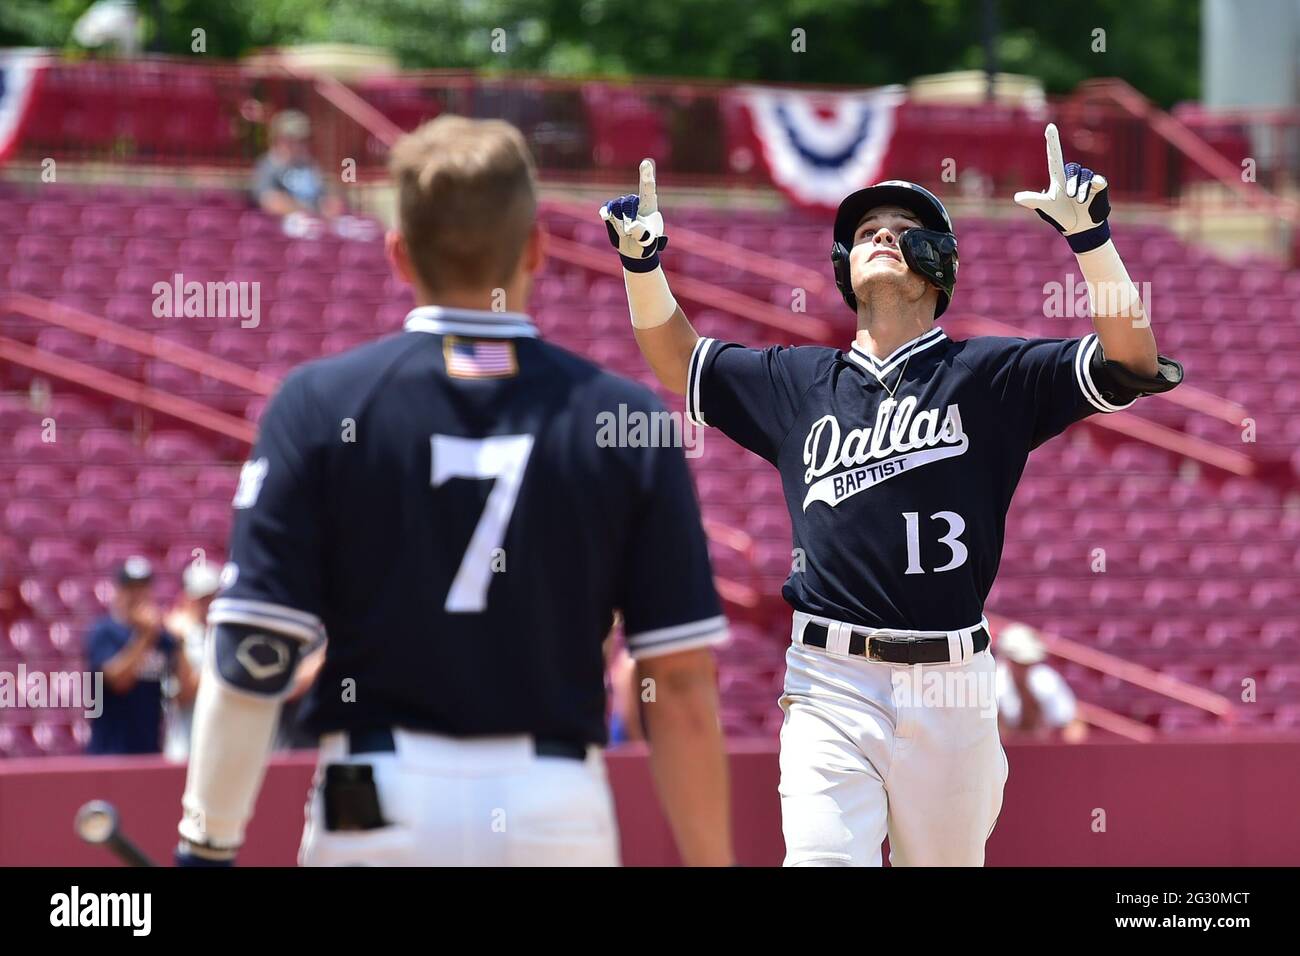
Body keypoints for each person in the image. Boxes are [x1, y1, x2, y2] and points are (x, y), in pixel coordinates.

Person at [601, 124, 1182, 866]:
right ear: (843, 268)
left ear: (939, 264)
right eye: (864, 232)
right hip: (829, 677)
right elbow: (679, 359)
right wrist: (642, 267)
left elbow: (1131, 358)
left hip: (954, 682)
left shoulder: (989, 374)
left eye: (899, 231)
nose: (876, 237)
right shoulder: (797, 383)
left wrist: (1092, 242)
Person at [176, 115, 733, 867]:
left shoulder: (317, 404)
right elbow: (682, 684)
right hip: (554, 809)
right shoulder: (626, 417)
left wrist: (205, 847)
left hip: (376, 801)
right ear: (536, 247)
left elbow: (253, 654)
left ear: (398, 254)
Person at [85, 557, 198, 756]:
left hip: (149, 752)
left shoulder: (162, 639)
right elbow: (118, 681)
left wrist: (180, 641)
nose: (137, 595)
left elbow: (186, 694)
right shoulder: (104, 632)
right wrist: (145, 637)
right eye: (131, 588)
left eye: (142, 588)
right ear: (119, 591)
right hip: (109, 754)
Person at [161, 562, 219, 761]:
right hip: (185, 749)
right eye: (202, 598)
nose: (209, 604)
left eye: (213, 596)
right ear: (187, 599)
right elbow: (183, 693)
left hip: (216, 748)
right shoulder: (177, 635)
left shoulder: (218, 635)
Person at [995, 623, 1085, 742]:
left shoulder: (1046, 679)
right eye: (1018, 662)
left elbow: (1073, 721)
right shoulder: (993, 681)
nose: (1022, 667)